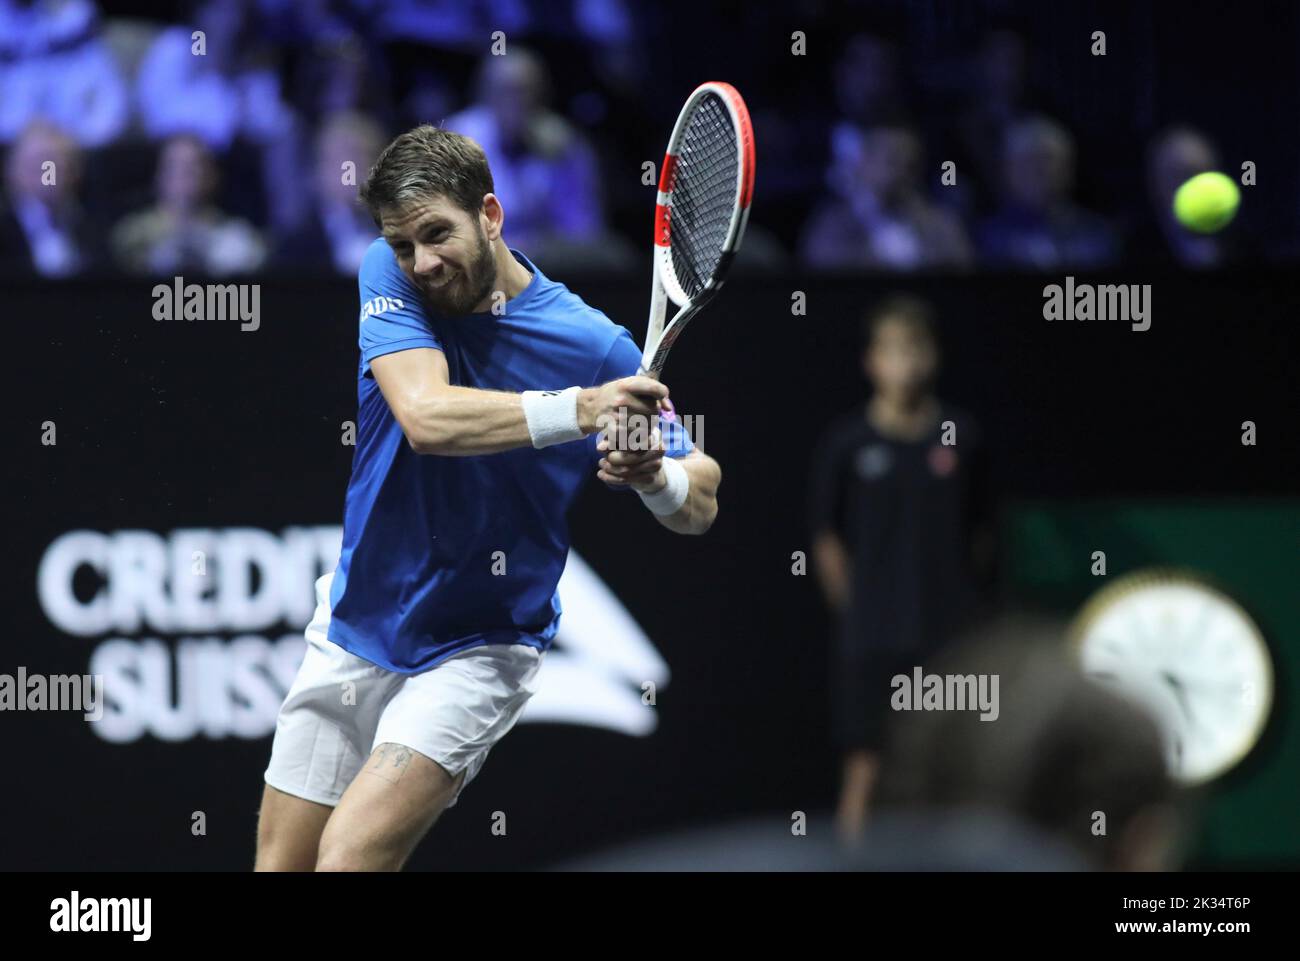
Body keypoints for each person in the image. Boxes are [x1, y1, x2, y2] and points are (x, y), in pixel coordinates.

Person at [255, 124, 721, 872]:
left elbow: (702, 496)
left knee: (346, 859)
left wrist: (653, 477)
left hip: (481, 646)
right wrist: (582, 409)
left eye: (438, 234)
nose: (423, 262)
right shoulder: (390, 274)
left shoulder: (595, 344)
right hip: (356, 620)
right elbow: (427, 418)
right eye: (404, 243)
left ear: (491, 215)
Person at [808, 295, 992, 842]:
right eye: (892, 351)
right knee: (866, 766)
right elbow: (827, 541)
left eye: (915, 350)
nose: (904, 364)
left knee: (960, 770)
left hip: (950, 638)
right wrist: (860, 611)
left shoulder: (961, 437)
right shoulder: (847, 445)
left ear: (932, 357)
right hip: (873, 639)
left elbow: (982, 535)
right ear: (872, 361)